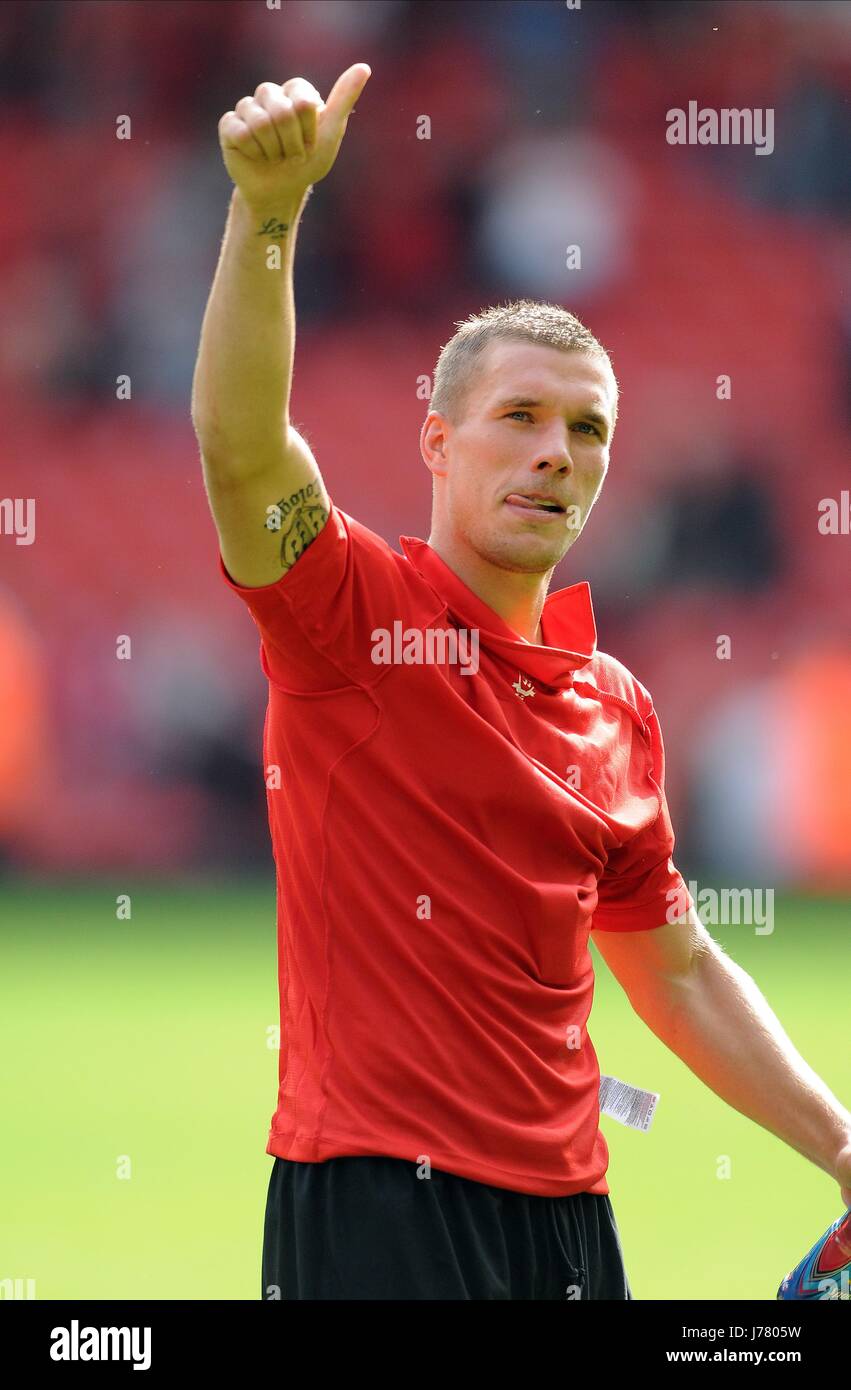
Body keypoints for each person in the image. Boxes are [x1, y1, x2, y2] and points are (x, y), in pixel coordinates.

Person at [191, 65, 851, 1300]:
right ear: (439, 440)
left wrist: (840, 1145)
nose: (556, 453)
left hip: (568, 1224)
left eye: (587, 430)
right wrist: (264, 215)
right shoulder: (348, 611)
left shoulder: (614, 706)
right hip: (375, 1201)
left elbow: (680, 969)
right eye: (521, 417)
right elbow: (238, 443)